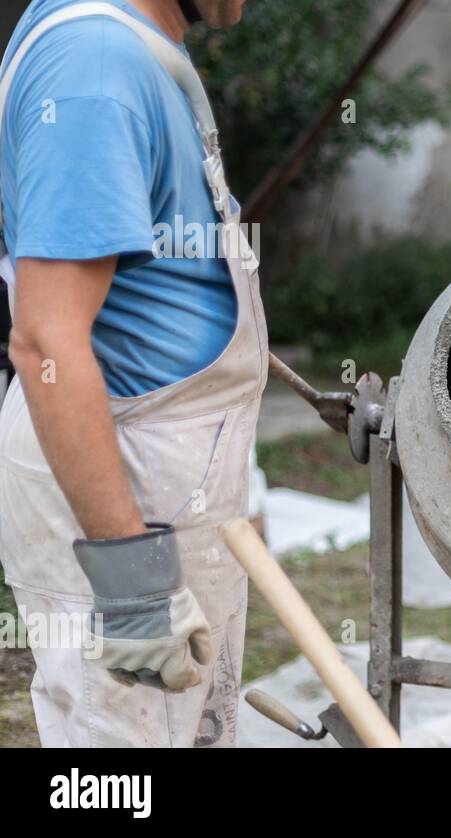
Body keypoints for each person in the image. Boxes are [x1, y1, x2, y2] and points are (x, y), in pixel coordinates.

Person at [0, 0, 262, 746]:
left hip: (158, 464)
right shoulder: (95, 63)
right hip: (121, 471)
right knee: (119, 767)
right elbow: (46, 339)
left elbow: (149, 280)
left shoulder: (136, 52)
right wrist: (132, 583)